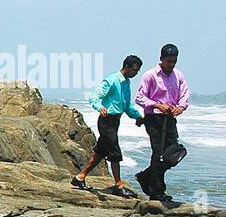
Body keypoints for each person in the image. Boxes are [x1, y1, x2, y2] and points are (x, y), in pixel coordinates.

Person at [71, 56, 144, 196]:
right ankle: (118, 184)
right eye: (135, 70)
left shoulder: (126, 83)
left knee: (100, 153)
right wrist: (100, 107)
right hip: (106, 121)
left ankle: (79, 177)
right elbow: (94, 97)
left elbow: (127, 106)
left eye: (138, 71)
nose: (136, 73)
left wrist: (138, 117)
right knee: (115, 152)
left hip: (115, 121)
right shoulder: (112, 80)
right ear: (127, 67)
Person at [134, 43, 191, 203]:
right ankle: (156, 191)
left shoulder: (178, 75)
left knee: (174, 153)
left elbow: (185, 94)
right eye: (169, 61)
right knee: (158, 152)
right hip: (154, 118)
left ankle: (145, 176)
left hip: (170, 118)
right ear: (161, 59)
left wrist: (180, 107)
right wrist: (157, 104)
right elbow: (139, 97)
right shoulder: (150, 75)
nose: (171, 64)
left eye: (174, 61)